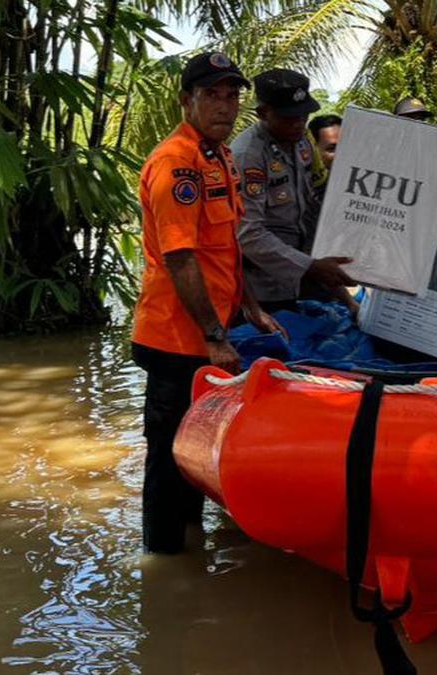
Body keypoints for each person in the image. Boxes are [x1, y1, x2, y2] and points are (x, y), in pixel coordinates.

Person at [131, 52, 283, 554]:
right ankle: (162, 560)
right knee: (167, 456)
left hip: (209, 333)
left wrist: (251, 307)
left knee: (192, 451)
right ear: (187, 100)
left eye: (232, 95)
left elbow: (228, 248)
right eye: (212, 95)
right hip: (177, 338)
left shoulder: (218, 157)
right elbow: (180, 259)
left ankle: (191, 542)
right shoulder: (177, 165)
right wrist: (215, 337)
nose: (225, 106)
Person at [231, 69, 356, 315]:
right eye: (289, 117)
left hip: (299, 282)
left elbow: (311, 209)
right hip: (260, 292)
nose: (299, 123)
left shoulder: (301, 141)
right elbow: (248, 234)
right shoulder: (248, 155)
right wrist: (309, 266)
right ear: (264, 113)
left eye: (303, 116)